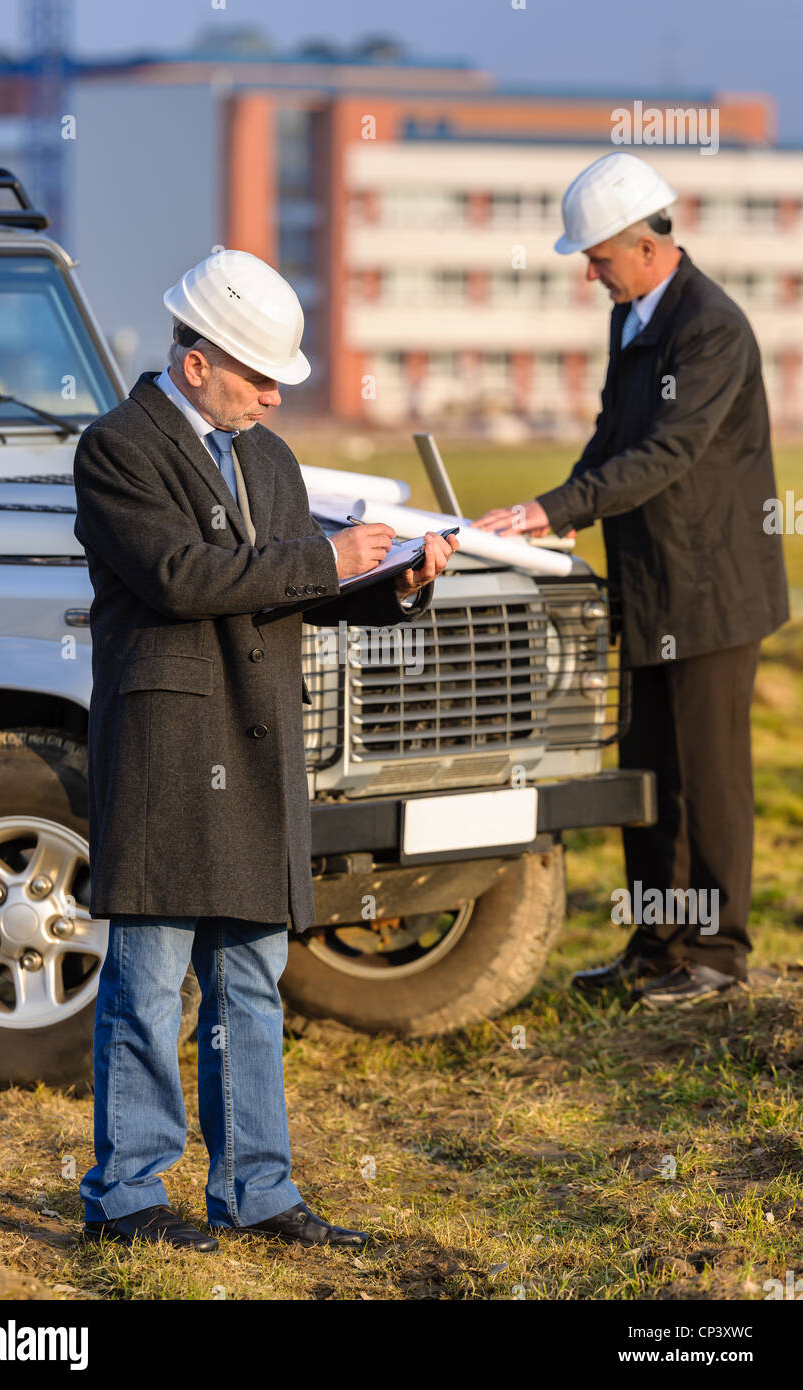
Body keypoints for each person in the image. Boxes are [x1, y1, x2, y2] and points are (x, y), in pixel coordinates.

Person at [73, 249, 459, 1252]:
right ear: (196, 361)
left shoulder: (271, 460)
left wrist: (397, 584)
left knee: (248, 981)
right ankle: (128, 1198)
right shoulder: (116, 448)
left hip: (254, 752)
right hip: (166, 747)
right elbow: (179, 575)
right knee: (149, 984)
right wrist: (322, 558)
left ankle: (255, 1191)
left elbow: (296, 588)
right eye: (257, 374)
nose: (276, 392)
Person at [473, 152, 788, 1010]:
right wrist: (554, 512)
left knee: (708, 779)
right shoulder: (635, 317)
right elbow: (614, 437)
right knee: (649, 773)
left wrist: (552, 509)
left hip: (712, 595)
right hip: (649, 588)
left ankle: (717, 955)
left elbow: (665, 456)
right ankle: (657, 946)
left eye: (597, 255)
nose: (588, 270)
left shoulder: (710, 327)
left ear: (644, 244)